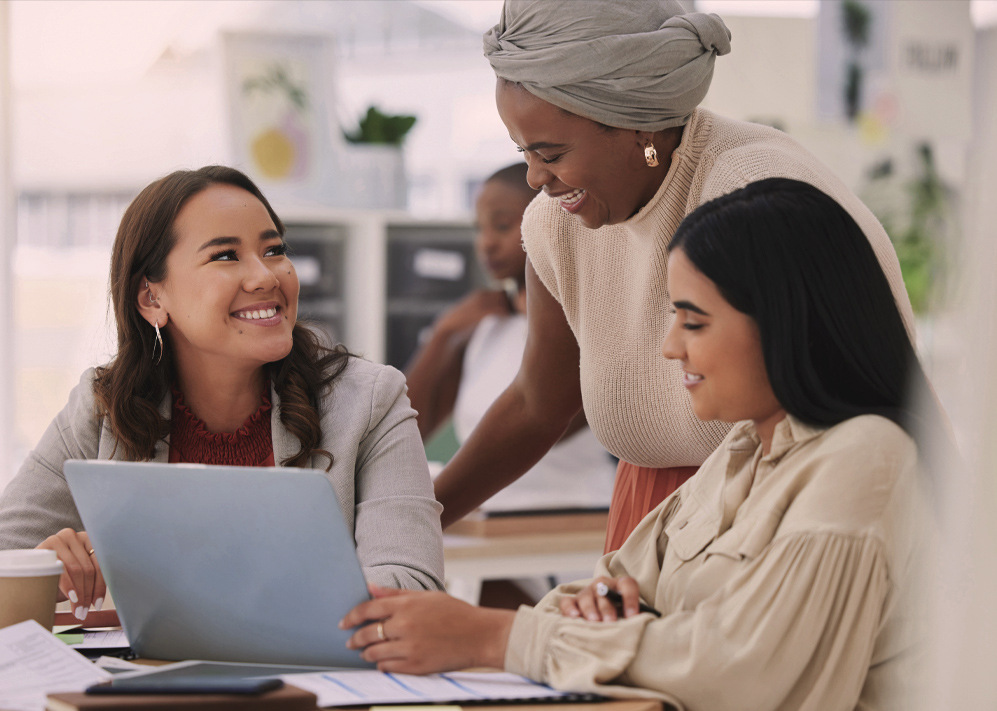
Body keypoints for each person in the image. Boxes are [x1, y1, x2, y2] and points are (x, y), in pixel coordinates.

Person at [339, 179, 939, 710]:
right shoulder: (742, 449)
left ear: (789, 322)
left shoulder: (866, 458)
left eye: (694, 321)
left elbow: (746, 674)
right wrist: (603, 610)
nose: (670, 347)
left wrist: (494, 637)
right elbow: (611, 583)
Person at [432, 0, 917, 553]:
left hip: (787, 516)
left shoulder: (757, 192)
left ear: (638, 122)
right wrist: (416, 523)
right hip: (649, 521)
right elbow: (537, 403)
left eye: (552, 152)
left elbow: (840, 415)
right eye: (522, 151)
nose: (536, 178)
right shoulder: (556, 224)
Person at [0, 165, 445, 622]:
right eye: (225, 257)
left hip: (316, 686)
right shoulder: (103, 408)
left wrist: (181, 600)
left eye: (274, 250)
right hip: (145, 686)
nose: (266, 276)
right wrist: (40, 570)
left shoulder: (369, 401)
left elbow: (411, 586)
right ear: (152, 298)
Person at [405, 163, 615, 515]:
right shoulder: (484, 327)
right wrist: (444, 335)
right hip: (483, 517)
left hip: (569, 521)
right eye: (479, 229)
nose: (485, 242)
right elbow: (407, 433)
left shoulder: (588, 324)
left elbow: (538, 422)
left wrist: (426, 512)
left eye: (501, 226)